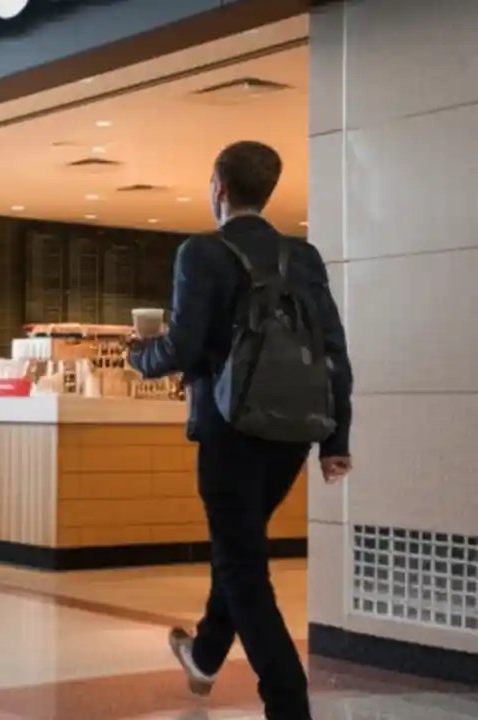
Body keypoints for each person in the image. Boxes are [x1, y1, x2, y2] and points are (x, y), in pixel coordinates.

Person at [129, 141, 353, 720]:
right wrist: (336, 438)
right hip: (293, 431)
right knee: (240, 549)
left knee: (242, 568)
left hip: (229, 430)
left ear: (218, 188)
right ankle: (204, 655)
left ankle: (288, 702)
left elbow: (182, 346)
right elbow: (332, 350)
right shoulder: (303, 256)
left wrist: (139, 356)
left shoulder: (201, 253)